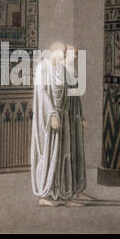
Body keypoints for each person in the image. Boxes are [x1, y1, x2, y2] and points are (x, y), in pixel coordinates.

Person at [31, 41, 89, 207]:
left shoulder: (62, 70)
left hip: (64, 118)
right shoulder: (43, 67)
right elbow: (42, 92)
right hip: (50, 119)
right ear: (54, 51)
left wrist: (78, 117)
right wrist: (52, 113)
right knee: (50, 155)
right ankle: (45, 195)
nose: (65, 54)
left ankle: (64, 194)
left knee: (65, 155)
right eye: (63, 51)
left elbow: (72, 96)